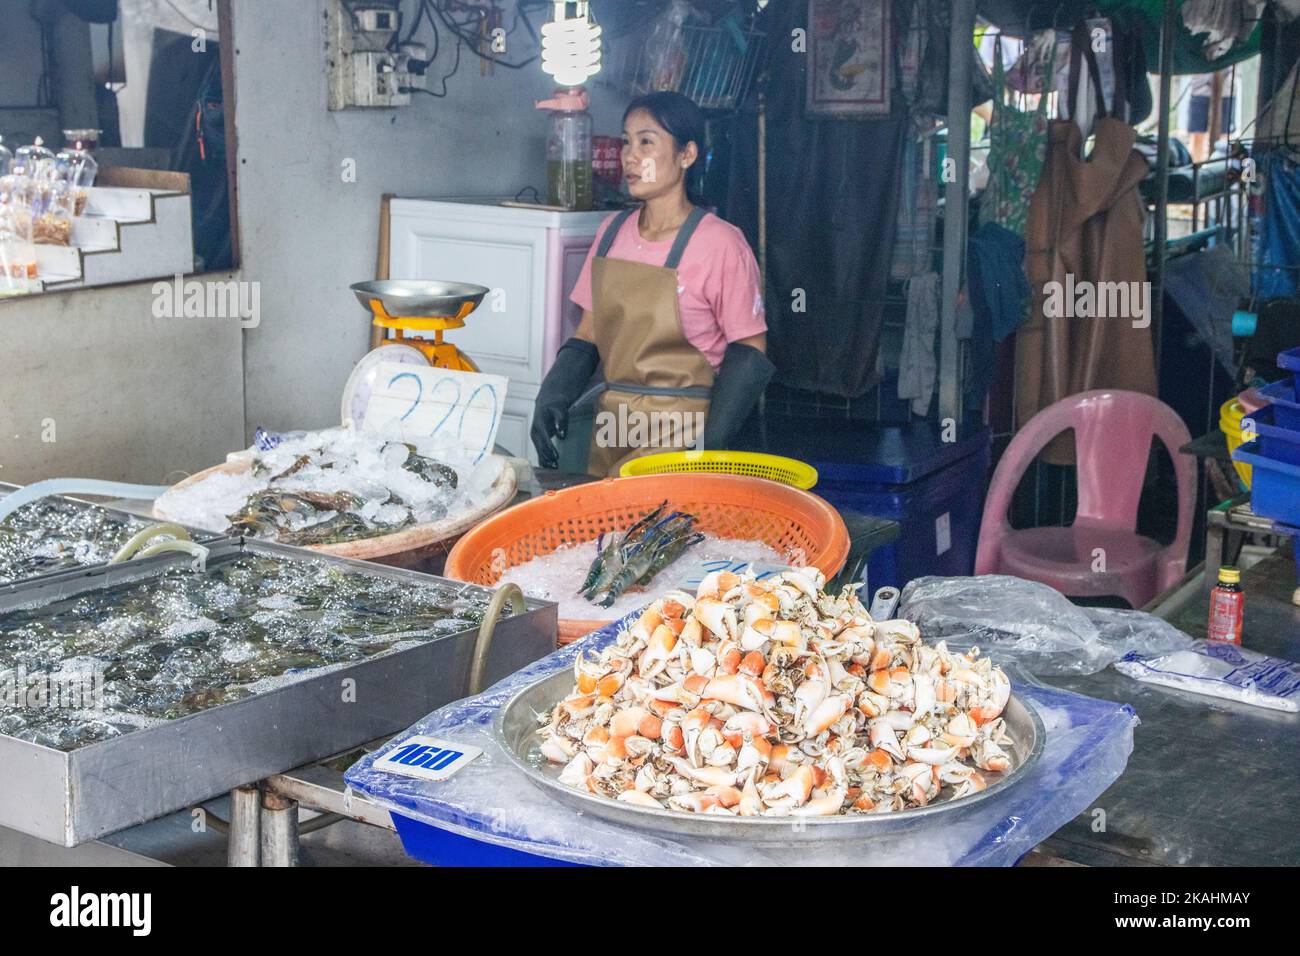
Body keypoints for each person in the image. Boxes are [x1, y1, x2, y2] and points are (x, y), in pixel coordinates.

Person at [530, 91, 773, 476]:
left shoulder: (721, 243)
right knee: (606, 535)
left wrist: (711, 441)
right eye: (626, 141)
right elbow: (588, 335)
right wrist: (552, 395)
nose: (630, 156)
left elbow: (750, 350)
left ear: (687, 155)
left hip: (685, 434)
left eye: (646, 141)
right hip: (615, 428)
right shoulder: (611, 233)